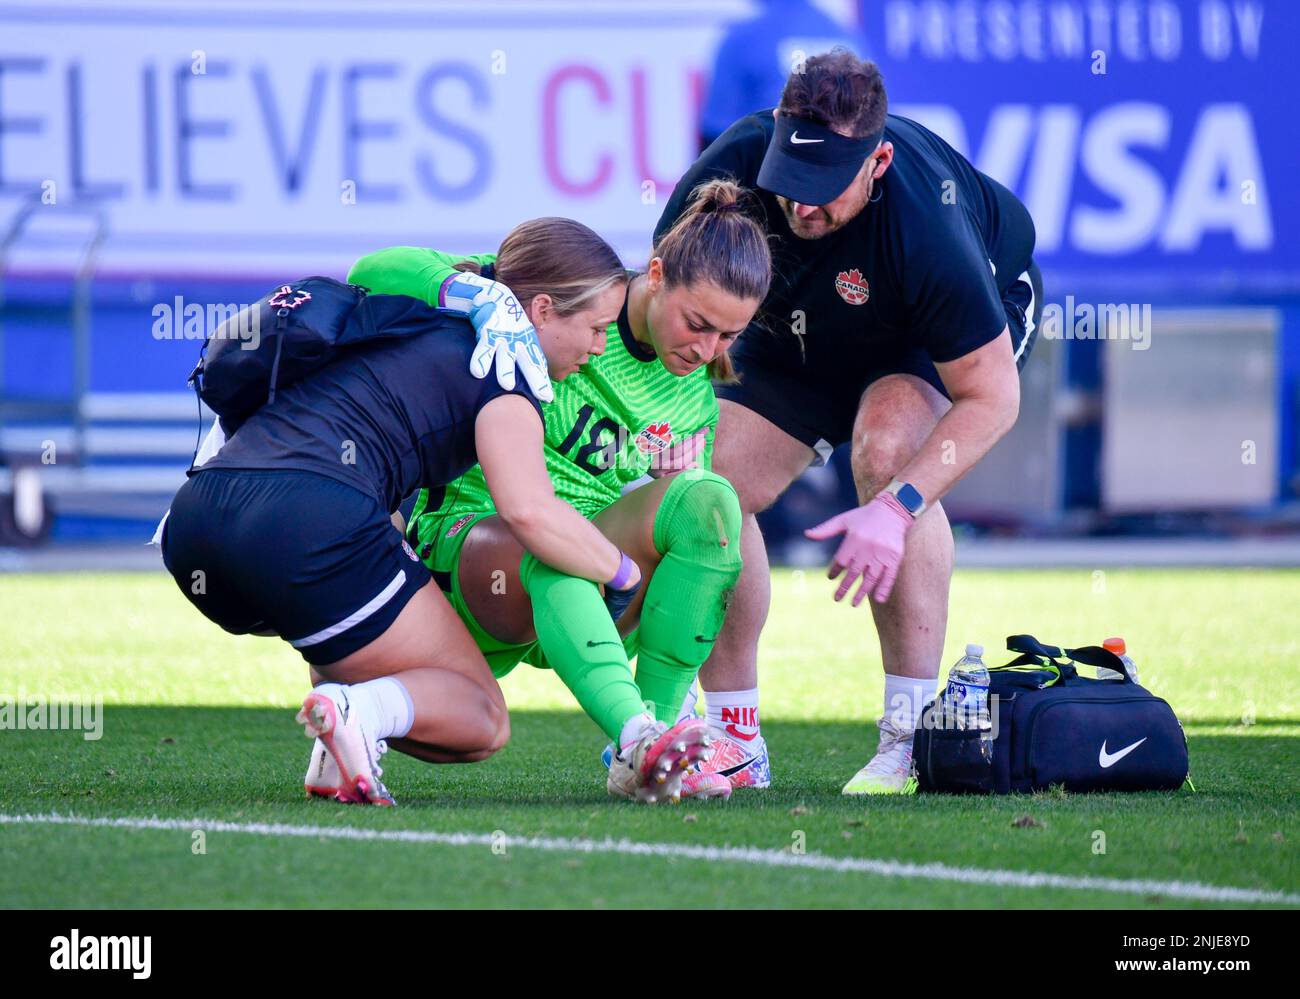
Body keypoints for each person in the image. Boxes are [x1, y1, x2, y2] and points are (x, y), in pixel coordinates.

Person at [160, 217, 716, 806]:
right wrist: (622, 573)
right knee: (481, 717)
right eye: (596, 329)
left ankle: (338, 746)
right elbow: (530, 514)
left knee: (356, 613)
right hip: (308, 522)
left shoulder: (417, 315)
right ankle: (356, 710)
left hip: (198, 521)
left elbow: (369, 275)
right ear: (545, 311)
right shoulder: (506, 375)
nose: (601, 347)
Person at [655, 49, 1042, 794]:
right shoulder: (728, 175)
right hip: (799, 330)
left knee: (888, 447)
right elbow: (669, 314)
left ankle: (908, 736)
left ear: (879, 160)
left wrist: (896, 510)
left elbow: (992, 396)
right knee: (701, 483)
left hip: (922, 338)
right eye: (791, 182)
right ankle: (733, 738)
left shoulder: (927, 223)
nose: (803, 205)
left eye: (826, 187)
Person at [321, 179, 774, 801]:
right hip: (476, 552)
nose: (707, 350)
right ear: (658, 273)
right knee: (550, 537)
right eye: (698, 324)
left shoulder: (693, 396)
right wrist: (480, 297)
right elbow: (370, 269)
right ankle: (638, 734)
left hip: (586, 577)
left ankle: (654, 740)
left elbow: (669, 520)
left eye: (729, 336)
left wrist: (672, 500)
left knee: (713, 501)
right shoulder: (571, 296)